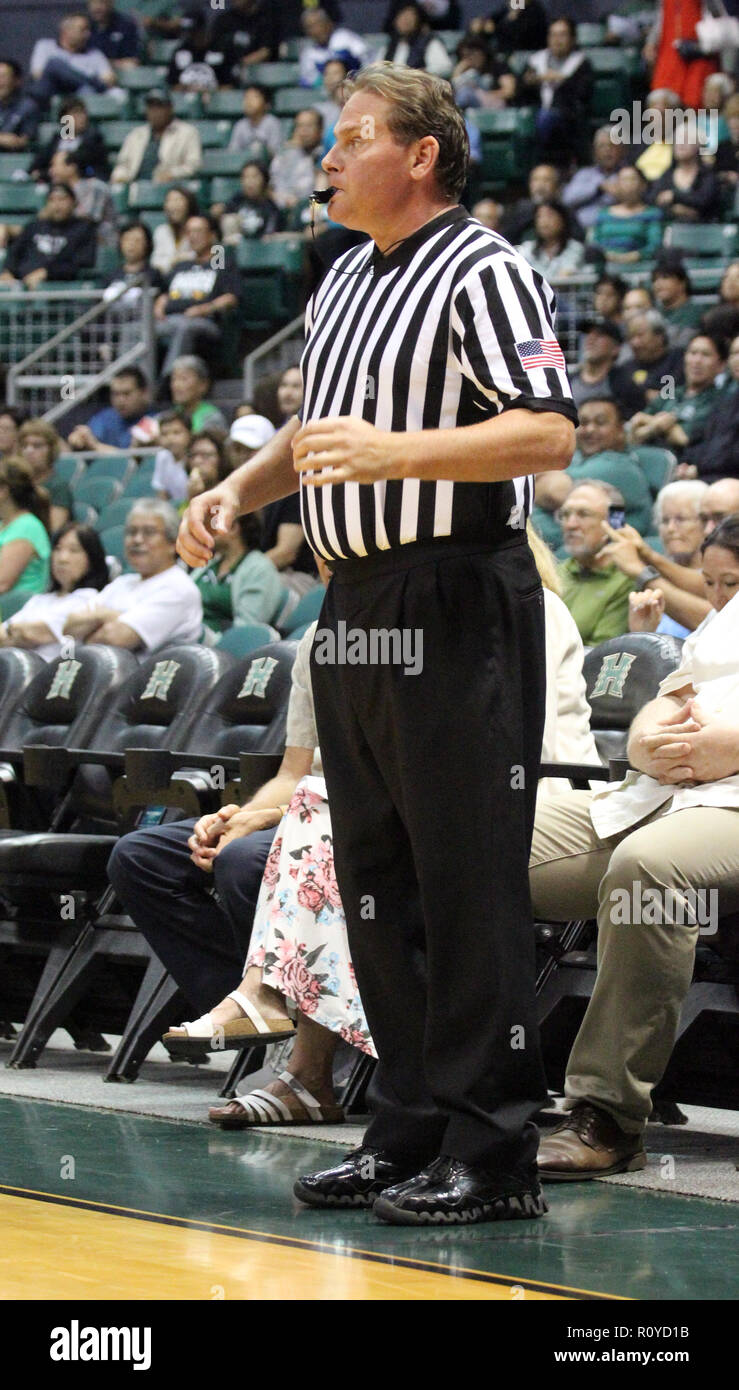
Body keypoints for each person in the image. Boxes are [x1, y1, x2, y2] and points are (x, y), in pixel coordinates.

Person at [177, 62, 577, 1226]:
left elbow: (545, 429)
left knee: (464, 885)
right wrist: (240, 491)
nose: (329, 159)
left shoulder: (488, 269)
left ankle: (496, 1152)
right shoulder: (345, 276)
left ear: (421, 155)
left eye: (352, 138)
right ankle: (404, 1128)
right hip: (353, 606)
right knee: (376, 883)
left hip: (455, 592)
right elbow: (317, 430)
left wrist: (397, 453)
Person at [533, 518, 739, 1181]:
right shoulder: (720, 624)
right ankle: (457, 1081)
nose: (715, 599)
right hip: (657, 791)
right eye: (709, 582)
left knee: (647, 871)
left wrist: (724, 750)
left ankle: (606, 1117)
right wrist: (648, 740)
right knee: (470, 840)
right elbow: (668, 693)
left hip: (728, 805)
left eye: (729, 583)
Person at [63, 499, 201, 654]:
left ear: (172, 544)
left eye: (149, 532)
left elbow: (115, 638)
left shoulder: (179, 588)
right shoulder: (123, 582)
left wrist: (102, 615)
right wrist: (114, 617)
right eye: (131, 532)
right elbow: (69, 627)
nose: (137, 540)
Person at [595, 480, 713, 636]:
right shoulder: (657, 569)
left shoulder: (721, 575)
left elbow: (713, 622)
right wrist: (645, 554)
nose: (671, 529)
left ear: (706, 524)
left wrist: (640, 571)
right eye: (664, 521)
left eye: (681, 519)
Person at [0, 522, 109, 659]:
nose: (62, 558)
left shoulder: (90, 600)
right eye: (57, 549)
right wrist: (14, 632)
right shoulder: (40, 599)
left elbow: (32, 633)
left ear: (92, 558)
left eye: (74, 550)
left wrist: (12, 632)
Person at [154, 213, 240, 378]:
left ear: (211, 234)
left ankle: (170, 380)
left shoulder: (219, 260)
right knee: (138, 328)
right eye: (189, 232)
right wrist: (159, 305)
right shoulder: (183, 265)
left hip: (203, 320)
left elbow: (231, 296)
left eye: (199, 231)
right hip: (170, 318)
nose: (193, 236)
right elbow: (164, 293)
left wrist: (205, 309)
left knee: (185, 328)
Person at [559, 481, 634, 646]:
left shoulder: (626, 581)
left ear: (614, 523)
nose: (571, 524)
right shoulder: (555, 573)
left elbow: (600, 654)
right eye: (565, 514)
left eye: (583, 514)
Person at [628, 334, 728, 454]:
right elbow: (637, 423)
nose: (697, 361)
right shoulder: (672, 392)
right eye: (693, 353)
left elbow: (684, 439)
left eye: (705, 355)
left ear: (721, 365)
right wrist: (659, 426)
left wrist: (650, 426)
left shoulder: (719, 401)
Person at [566, 398, 653, 535]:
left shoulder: (621, 467)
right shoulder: (576, 456)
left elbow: (552, 490)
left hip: (608, 548)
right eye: (583, 423)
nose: (590, 429)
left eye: (600, 423)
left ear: (620, 430)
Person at [193, 512, 283, 639]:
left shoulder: (260, 569)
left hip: (218, 649)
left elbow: (245, 633)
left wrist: (203, 638)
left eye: (211, 524)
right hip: (188, 639)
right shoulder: (210, 563)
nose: (205, 531)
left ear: (233, 527)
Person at [518, 17, 593, 161]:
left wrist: (562, 80)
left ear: (572, 38)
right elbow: (521, 89)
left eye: (562, 35)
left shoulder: (581, 63)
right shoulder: (535, 61)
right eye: (553, 35)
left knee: (547, 118)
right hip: (536, 113)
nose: (557, 40)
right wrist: (529, 82)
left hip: (568, 118)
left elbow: (584, 93)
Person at [0, 182, 96, 289]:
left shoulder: (83, 229)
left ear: (73, 202)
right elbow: (15, 253)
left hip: (61, 287)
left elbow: (81, 264)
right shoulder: (34, 226)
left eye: (62, 199)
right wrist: (7, 271)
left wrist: (47, 273)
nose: (57, 205)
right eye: (52, 200)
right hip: (23, 284)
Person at [110, 90, 202, 185]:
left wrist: (172, 174)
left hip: (169, 188)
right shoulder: (136, 134)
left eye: (159, 107)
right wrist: (120, 176)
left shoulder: (187, 133)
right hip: (136, 187)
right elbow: (122, 164)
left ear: (170, 109)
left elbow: (194, 166)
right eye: (151, 107)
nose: (155, 112)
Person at [29, 11, 117, 106]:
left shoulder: (94, 54)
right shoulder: (45, 46)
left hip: (81, 99)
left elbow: (109, 79)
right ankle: (87, 82)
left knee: (87, 91)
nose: (88, 34)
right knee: (54, 64)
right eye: (82, 30)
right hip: (52, 94)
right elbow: (38, 75)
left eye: (88, 30)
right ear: (66, 31)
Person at [609, 310, 685, 417]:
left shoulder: (679, 360)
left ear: (659, 336)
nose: (635, 343)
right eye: (631, 337)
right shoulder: (623, 371)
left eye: (640, 335)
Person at [685, 332, 739, 480]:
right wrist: (688, 464)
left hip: (728, 478)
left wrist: (700, 468)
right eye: (734, 353)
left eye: (705, 354)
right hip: (710, 473)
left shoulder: (716, 395)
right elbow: (702, 439)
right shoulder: (726, 398)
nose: (737, 359)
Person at [0, 458, 51, 610]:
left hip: (15, 613)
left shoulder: (27, 527)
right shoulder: (4, 525)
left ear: (4, 490)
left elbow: (2, 583)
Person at [67, 367, 157, 453]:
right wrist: (80, 439)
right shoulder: (106, 417)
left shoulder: (154, 421)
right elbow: (88, 437)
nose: (120, 400)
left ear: (144, 393)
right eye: (116, 394)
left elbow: (132, 460)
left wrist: (95, 446)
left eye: (127, 393)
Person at [591, 166, 663, 266]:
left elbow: (655, 245)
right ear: (616, 185)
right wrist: (606, 255)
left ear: (643, 185)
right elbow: (594, 244)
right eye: (623, 180)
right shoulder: (604, 214)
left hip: (640, 268)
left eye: (632, 179)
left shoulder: (652, 213)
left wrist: (634, 256)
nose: (628, 184)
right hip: (606, 266)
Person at [29, 95, 109, 181]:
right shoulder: (56, 139)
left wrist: (46, 173)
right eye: (75, 113)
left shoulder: (94, 138)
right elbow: (37, 164)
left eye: (83, 113)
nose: (81, 117)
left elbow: (81, 163)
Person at [48, 148, 117, 247]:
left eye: (54, 165)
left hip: (102, 243)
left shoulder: (95, 187)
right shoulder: (60, 191)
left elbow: (87, 222)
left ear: (71, 167)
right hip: (74, 242)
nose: (51, 171)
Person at [651, 130, 722, 224]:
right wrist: (674, 210)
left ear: (698, 146)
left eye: (686, 141)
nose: (680, 145)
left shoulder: (707, 175)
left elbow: (704, 200)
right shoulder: (667, 174)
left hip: (703, 228)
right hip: (671, 227)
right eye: (677, 141)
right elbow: (653, 198)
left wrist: (674, 196)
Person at [561, 127, 624, 232]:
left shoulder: (627, 174)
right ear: (595, 151)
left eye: (612, 145)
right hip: (582, 231)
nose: (607, 151)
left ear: (622, 150)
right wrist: (598, 187)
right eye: (602, 146)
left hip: (615, 230)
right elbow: (567, 199)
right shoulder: (584, 174)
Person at [17, 419, 72, 532]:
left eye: (37, 446)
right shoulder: (16, 483)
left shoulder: (58, 486)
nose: (29, 451)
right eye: (24, 445)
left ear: (51, 450)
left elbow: (54, 531)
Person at [269, 109, 324, 212]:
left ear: (320, 129)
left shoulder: (325, 154)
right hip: (280, 210)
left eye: (309, 126)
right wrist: (283, 199)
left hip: (311, 211)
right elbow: (270, 188)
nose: (303, 131)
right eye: (300, 126)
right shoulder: (284, 154)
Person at [516, 200, 586, 281]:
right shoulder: (527, 249)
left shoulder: (575, 248)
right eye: (539, 216)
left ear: (562, 219)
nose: (544, 221)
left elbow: (566, 275)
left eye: (550, 215)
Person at [298, 9, 367, 89]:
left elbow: (367, 62)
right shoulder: (308, 54)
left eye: (318, 24)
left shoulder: (346, 38)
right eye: (310, 27)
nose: (316, 30)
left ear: (328, 23)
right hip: (326, 96)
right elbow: (308, 81)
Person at [216, 161, 280, 243]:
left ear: (264, 180)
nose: (249, 182)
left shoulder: (271, 207)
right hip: (235, 249)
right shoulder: (236, 200)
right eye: (245, 177)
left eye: (254, 177)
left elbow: (269, 234)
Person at [499, 162, 560, 246]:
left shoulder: (564, 212)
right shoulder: (518, 209)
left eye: (546, 180)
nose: (540, 185)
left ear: (556, 185)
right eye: (536, 180)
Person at [569, 318, 623, 410]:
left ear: (615, 348)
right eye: (588, 333)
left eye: (599, 335)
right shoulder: (568, 380)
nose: (590, 339)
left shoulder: (624, 383)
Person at [383, 5, 452, 78]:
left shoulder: (429, 42)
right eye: (402, 17)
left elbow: (444, 68)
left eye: (409, 18)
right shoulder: (390, 46)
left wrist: (418, 74)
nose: (405, 21)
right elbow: (377, 71)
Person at [450, 35, 515, 109]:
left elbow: (509, 91)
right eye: (465, 56)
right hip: (470, 106)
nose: (470, 59)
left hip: (494, 107)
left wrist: (484, 95)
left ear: (483, 52)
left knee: (466, 93)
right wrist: (458, 70)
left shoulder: (498, 66)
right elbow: (452, 89)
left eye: (473, 54)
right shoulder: (465, 70)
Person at [167, 355, 225, 432]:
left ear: (203, 385)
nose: (176, 385)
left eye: (184, 379)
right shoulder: (170, 415)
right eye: (174, 379)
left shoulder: (211, 417)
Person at [651, 260, 703, 345]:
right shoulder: (654, 313)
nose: (658, 284)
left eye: (665, 277)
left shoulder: (695, 313)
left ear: (682, 283)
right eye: (654, 280)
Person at [150, 185, 198, 277]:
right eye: (169, 201)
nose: (173, 206)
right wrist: (173, 262)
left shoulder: (201, 227)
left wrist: (184, 259)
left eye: (178, 200)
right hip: (168, 280)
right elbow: (155, 263)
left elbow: (215, 258)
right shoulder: (161, 231)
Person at [228, 84, 283, 160]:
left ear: (266, 104)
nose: (249, 102)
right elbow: (233, 153)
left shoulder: (272, 123)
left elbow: (276, 153)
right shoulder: (240, 125)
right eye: (246, 97)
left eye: (254, 97)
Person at [0, 58, 40, 152]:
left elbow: (24, 141)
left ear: (17, 81)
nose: (0, 82)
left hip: (12, 159)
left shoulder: (28, 107)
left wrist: (13, 141)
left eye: (4, 77)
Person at [151, 410, 192, 502]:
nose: (170, 438)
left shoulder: (197, 458)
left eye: (176, 432)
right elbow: (161, 491)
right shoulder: (162, 457)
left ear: (190, 434)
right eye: (164, 434)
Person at [87, 0, 141, 68]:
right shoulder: (84, 25)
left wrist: (101, 64)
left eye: (101, 2)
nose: (97, 7)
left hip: (119, 74)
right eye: (93, 3)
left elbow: (132, 62)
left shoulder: (126, 25)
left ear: (111, 3)